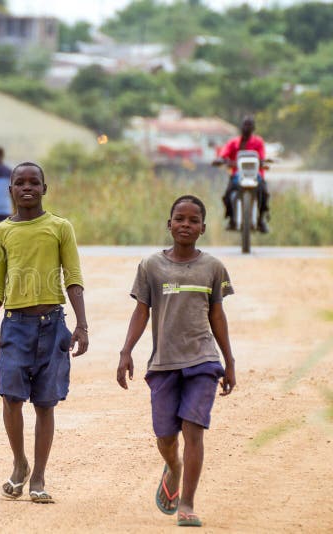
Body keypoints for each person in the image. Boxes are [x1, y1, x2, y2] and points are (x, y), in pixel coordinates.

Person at [116, 195, 236, 528]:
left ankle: (187, 503)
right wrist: (126, 351)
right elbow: (141, 311)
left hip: (203, 360)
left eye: (193, 220)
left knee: (193, 430)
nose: (186, 225)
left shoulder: (213, 268)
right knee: (166, 436)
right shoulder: (151, 266)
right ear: (169, 224)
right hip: (164, 363)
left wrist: (229, 360)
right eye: (179, 219)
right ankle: (174, 466)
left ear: (203, 228)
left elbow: (217, 314)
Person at [0, 162, 89, 504]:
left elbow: (73, 278)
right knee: (10, 397)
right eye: (19, 182)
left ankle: (39, 474)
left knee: (45, 403)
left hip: (52, 325)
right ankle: (20, 462)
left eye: (34, 182)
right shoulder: (1, 233)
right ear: (10, 189)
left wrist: (82, 325)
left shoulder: (60, 227)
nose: (27, 187)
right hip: (14, 325)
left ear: (45, 188)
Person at [215, 116, 270, 233]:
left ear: (253, 128)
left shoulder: (258, 142)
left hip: (256, 175)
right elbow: (223, 154)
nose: (247, 127)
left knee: (264, 193)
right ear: (241, 127)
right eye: (245, 125)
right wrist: (220, 160)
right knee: (227, 195)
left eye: (249, 125)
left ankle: (261, 220)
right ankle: (231, 219)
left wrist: (263, 162)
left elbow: (262, 157)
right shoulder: (233, 143)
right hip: (237, 176)